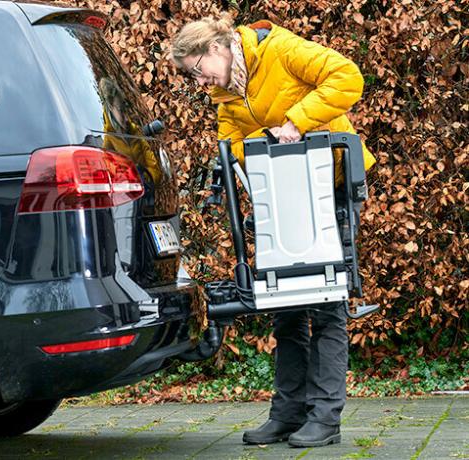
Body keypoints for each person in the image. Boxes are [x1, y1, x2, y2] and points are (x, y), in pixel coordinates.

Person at [170, 14, 376, 448]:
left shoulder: (280, 50)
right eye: (192, 76)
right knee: (285, 306)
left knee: (324, 303)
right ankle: (286, 415)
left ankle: (325, 418)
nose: (199, 81)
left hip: (330, 184)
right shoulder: (228, 96)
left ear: (217, 49)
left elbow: (347, 76)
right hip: (284, 195)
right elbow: (233, 143)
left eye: (197, 69)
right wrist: (244, 150)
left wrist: (297, 121)